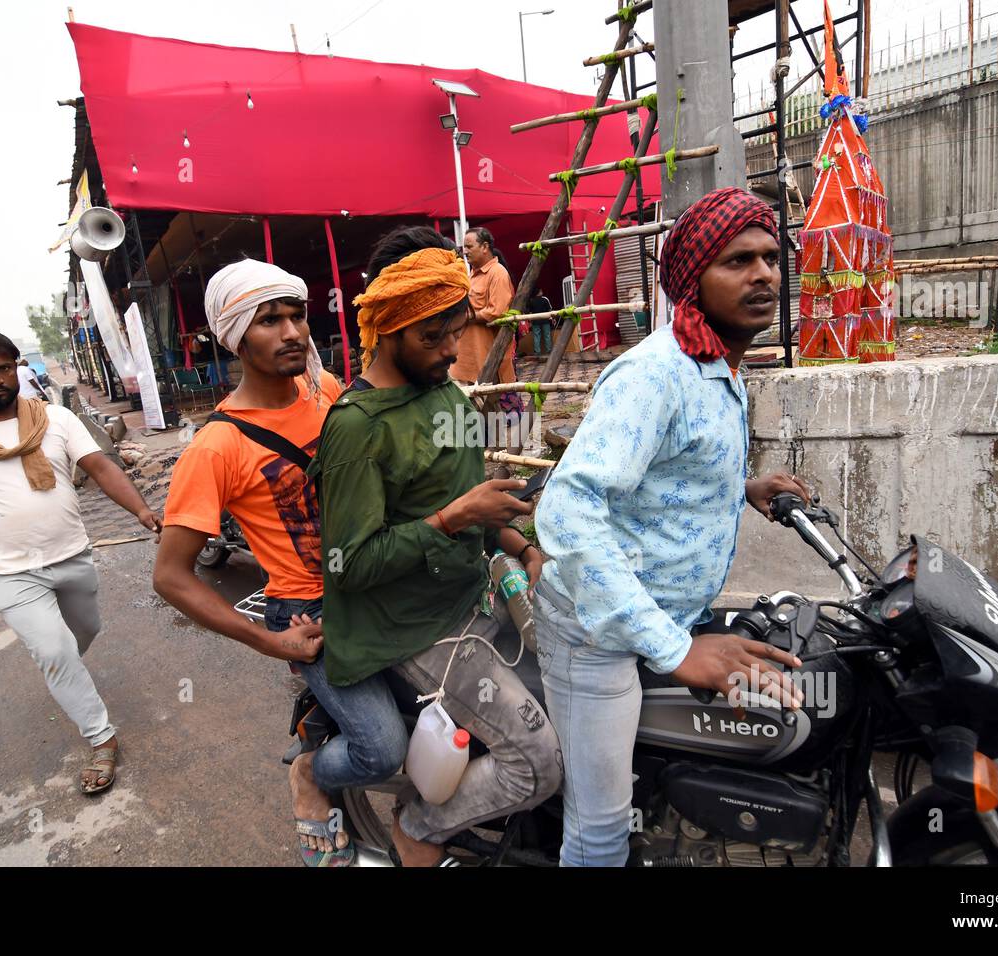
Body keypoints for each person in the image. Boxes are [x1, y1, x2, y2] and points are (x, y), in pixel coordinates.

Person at [533, 187, 813, 866]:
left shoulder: (719, 363)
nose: (763, 274)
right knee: (600, 830)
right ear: (693, 281)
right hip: (598, 633)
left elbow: (667, 464)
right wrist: (675, 649)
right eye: (738, 260)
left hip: (665, 613)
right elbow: (567, 510)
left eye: (772, 257)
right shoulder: (656, 373)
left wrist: (742, 487)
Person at [309, 226, 562, 866]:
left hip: (469, 595)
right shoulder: (356, 429)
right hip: (411, 628)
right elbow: (351, 564)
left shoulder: (444, 392)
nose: (452, 349)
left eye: (456, 331)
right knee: (538, 764)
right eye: (433, 336)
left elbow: (464, 492)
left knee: (577, 683)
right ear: (388, 329)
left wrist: (518, 543)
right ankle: (419, 828)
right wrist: (452, 520)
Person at [152, 259, 405, 867]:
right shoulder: (217, 446)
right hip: (313, 612)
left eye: (297, 315)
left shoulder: (326, 390)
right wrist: (271, 643)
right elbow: (169, 575)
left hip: (380, 579)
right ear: (235, 335)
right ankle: (311, 774)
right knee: (384, 747)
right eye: (270, 321)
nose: (293, 332)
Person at [0, 327, 161, 794]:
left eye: (4, 367)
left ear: (16, 367)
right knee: (53, 650)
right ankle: (101, 738)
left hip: (72, 556)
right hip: (9, 571)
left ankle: (66, 674)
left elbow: (101, 468)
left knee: (83, 634)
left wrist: (141, 510)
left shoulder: (57, 420)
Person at [450, 227, 516, 386]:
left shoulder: (497, 273)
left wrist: (464, 317)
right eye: (464, 247)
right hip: (466, 361)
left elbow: (497, 312)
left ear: (485, 247)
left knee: (490, 408)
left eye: (469, 246)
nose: (465, 251)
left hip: (486, 363)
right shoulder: (472, 274)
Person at [528, 291, 554, 356]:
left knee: (536, 336)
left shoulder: (532, 301)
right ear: (538, 292)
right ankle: (549, 351)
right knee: (547, 336)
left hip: (535, 321)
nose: (542, 292)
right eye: (541, 291)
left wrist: (530, 322)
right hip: (545, 321)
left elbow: (530, 313)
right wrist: (552, 318)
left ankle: (537, 352)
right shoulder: (545, 299)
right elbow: (549, 309)